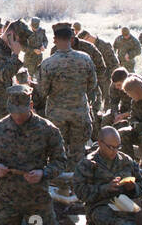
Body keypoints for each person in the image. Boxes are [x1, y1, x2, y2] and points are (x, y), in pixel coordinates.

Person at [0, 85, 68, 225]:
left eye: (22, 112)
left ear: (32, 106)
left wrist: (44, 173)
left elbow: (60, 161)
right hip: (7, 199)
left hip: (36, 200)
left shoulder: (47, 129)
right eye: (14, 112)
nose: (18, 117)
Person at [38, 23, 98, 156]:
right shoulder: (85, 59)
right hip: (80, 113)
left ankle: (61, 176)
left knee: (59, 152)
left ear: (54, 40)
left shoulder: (48, 64)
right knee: (79, 151)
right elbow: (92, 85)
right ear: (71, 38)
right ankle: (77, 175)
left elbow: (43, 91)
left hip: (57, 115)